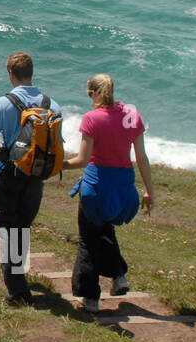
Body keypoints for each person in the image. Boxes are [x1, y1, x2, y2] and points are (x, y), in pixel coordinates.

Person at [61, 73, 155, 313]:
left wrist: (59, 165)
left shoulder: (92, 118)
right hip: (124, 192)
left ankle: (90, 298)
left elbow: (82, 160)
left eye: (89, 95)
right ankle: (118, 276)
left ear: (94, 93)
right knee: (105, 229)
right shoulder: (132, 117)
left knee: (88, 240)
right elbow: (142, 159)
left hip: (97, 190)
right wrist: (148, 192)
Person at [0, 52, 60, 306]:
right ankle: (17, 271)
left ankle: (18, 292)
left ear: (11, 73)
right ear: (31, 72)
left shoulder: (3, 103)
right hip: (36, 175)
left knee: (3, 223)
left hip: (7, 173)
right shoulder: (52, 104)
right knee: (22, 224)